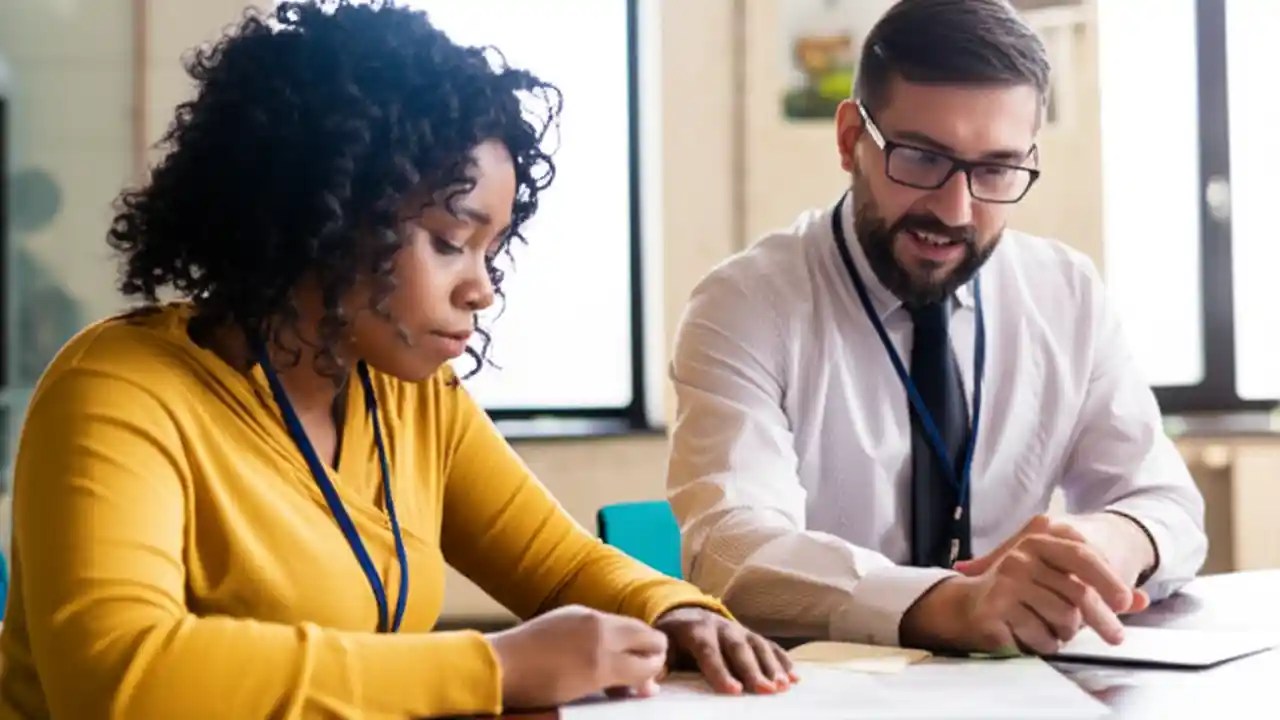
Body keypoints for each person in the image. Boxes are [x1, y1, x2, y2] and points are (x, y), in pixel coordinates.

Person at [0, 2, 797, 718]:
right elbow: (116, 678)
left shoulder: (409, 397)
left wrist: (676, 611)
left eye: (493, 248)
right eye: (451, 243)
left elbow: (557, 568)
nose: (480, 289)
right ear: (326, 214)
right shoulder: (117, 392)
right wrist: (490, 666)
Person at [667, 0, 1207, 656]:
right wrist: (949, 605)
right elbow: (732, 550)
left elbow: (1168, 504)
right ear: (849, 141)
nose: (956, 210)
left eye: (996, 169)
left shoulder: (1066, 293)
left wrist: (1108, 542)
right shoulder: (745, 304)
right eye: (922, 159)